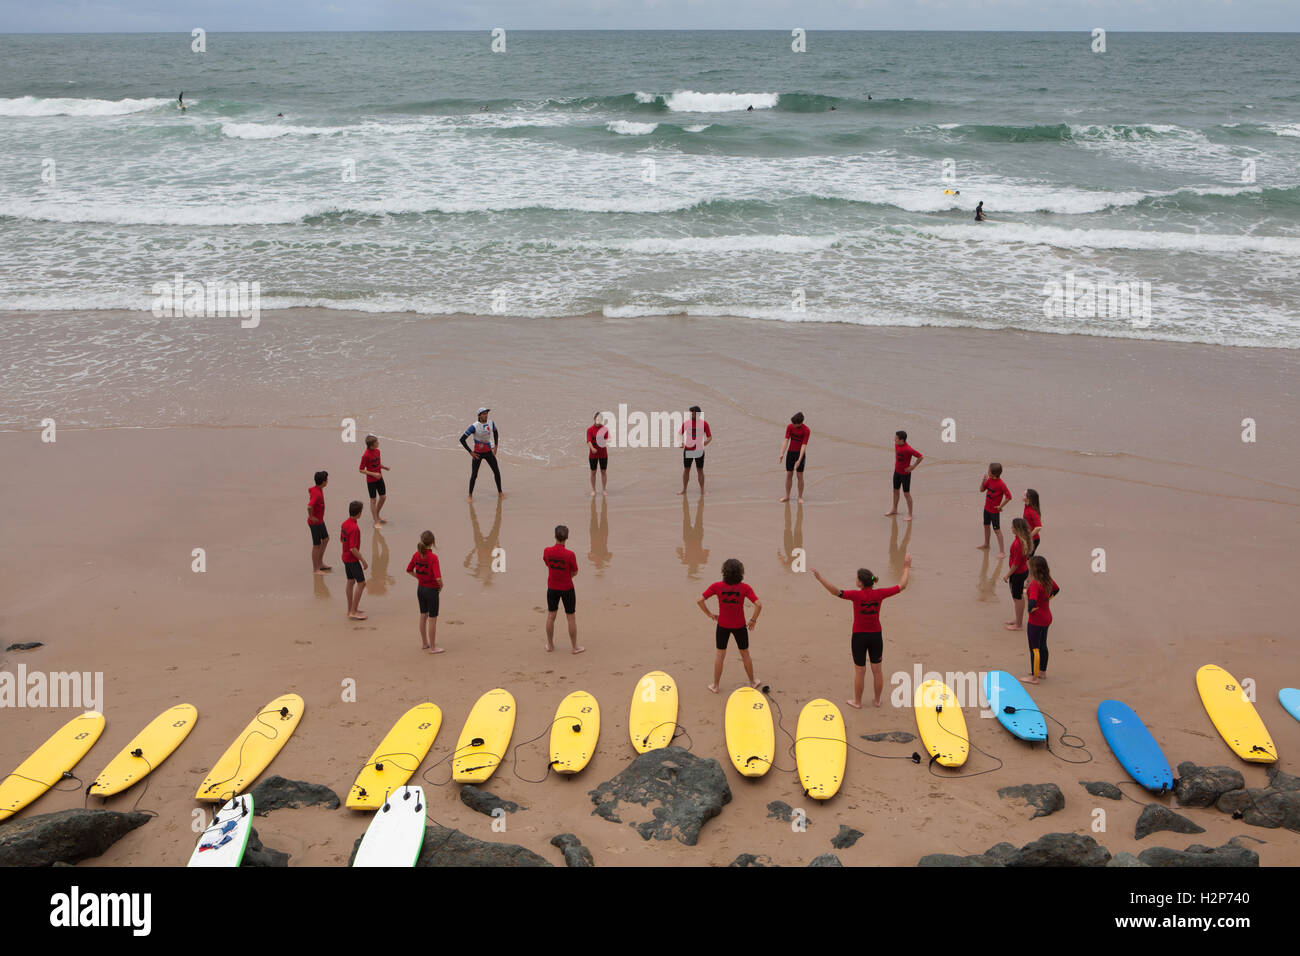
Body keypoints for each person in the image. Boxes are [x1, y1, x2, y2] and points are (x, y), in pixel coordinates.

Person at [812, 556, 910, 709]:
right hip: (876, 636)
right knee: (877, 670)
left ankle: (858, 702)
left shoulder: (856, 595)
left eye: (857, 578)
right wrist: (906, 567)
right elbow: (902, 585)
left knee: (860, 671)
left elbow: (835, 592)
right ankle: (877, 701)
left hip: (859, 637)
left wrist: (819, 578)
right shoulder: (880, 594)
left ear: (860, 582)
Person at [698, 558, 760, 693]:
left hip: (722, 626)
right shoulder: (745, 588)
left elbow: (700, 600)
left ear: (724, 572)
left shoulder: (716, 586)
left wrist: (709, 614)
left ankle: (715, 686)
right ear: (740, 573)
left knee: (720, 655)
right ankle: (753, 682)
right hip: (739, 626)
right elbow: (758, 605)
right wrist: (753, 620)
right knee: (745, 654)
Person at [543, 525, 584, 653]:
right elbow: (575, 571)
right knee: (570, 617)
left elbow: (547, 564)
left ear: (555, 536)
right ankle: (574, 647)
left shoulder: (547, 551)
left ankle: (550, 645)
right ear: (567, 537)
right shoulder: (570, 554)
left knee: (551, 616)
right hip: (567, 588)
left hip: (552, 587)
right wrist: (567, 576)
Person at [405, 531, 444, 654]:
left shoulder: (416, 555)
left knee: (423, 615)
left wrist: (419, 577)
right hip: (431, 590)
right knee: (432, 618)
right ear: (432, 542)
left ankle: (424, 643)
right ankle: (433, 647)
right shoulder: (433, 558)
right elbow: (438, 578)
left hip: (420, 589)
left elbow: (409, 570)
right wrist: (441, 586)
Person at [1024, 555, 1060, 684]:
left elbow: (1032, 602)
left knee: (1034, 648)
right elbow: (1056, 590)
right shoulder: (1047, 580)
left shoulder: (1035, 584)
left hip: (1036, 620)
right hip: (1047, 616)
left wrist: (1030, 609)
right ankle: (1042, 672)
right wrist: (1046, 600)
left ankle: (1033, 677)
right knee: (1042, 645)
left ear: (1033, 569)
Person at [460, 407, 504, 502]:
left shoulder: (491, 423)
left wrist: (496, 446)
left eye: (487, 413)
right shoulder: (474, 426)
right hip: (478, 454)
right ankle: (470, 495)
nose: (486, 415)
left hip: (488, 452)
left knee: (496, 472)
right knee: (474, 475)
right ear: (479, 416)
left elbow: (496, 432)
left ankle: (500, 492)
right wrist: (471, 452)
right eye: (484, 414)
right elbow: (462, 439)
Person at [1001, 518, 1035, 630]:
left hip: (1017, 574)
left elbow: (1016, 564)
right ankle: (1018, 619)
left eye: (1012, 527)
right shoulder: (1022, 540)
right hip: (1023, 571)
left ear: (1017, 529)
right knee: (1019, 596)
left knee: (1017, 598)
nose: (1011, 528)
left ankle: (1019, 624)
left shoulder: (1017, 544)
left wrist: (1007, 575)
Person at [340, 501, 369, 620]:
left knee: (350, 581)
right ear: (359, 513)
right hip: (352, 559)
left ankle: (351, 609)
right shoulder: (354, 528)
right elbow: (353, 548)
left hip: (345, 557)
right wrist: (363, 560)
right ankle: (353, 611)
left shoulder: (345, 523)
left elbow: (342, 540)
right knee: (361, 583)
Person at [885, 430, 923, 520]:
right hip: (897, 472)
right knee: (895, 491)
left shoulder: (908, 449)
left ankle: (910, 514)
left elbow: (920, 457)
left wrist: (913, 467)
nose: (894, 439)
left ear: (902, 440)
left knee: (906, 494)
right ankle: (894, 509)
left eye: (896, 438)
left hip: (905, 474)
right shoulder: (896, 445)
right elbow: (897, 455)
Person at [978, 462, 1012, 555]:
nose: (987, 470)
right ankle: (986, 544)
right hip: (986, 509)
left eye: (989, 470)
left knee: (997, 530)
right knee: (986, 526)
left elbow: (1009, 496)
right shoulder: (989, 480)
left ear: (993, 473)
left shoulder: (1001, 484)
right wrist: (983, 481)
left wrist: (1000, 506)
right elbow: (981, 490)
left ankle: (1002, 551)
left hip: (994, 512)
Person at [678, 405, 711, 496]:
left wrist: (705, 443)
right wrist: (680, 443)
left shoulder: (704, 424)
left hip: (699, 450)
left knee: (700, 470)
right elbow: (680, 434)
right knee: (686, 470)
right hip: (688, 449)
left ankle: (703, 490)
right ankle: (684, 490)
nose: (691, 414)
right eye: (690, 412)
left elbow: (709, 437)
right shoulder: (686, 423)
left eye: (692, 412)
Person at [778, 412, 809, 503]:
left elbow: (804, 445)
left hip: (800, 454)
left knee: (799, 475)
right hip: (790, 453)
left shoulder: (806, 430)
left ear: (800, 423)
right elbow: (786, 440)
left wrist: (799, 460)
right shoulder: (790, 427)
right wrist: (782, 453)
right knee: (789, 474)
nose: (793, 425)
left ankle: (800, 497)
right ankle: (787, 496)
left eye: (794, 424)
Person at [359, 434, 390, 526]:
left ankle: (376, 514)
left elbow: (377, 464)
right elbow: (361, 470)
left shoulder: (377, 451)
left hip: (379, 478)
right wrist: (374, 474)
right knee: (373, 500)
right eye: (376, 442)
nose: (378, 443)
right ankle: (376, 520)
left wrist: (384, 467)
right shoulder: (365, 455)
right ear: (371, 445)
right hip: (371, 481)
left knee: (383, 497)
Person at [307, 471, 331, 574]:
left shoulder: (318, 489)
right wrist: (311, 517)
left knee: (325, 539)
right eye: (327, 480)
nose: (327, 481)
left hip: (320, 521)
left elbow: (310, 490)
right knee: (316, 545)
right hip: (315, 523)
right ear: (323, 482)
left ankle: (320, 563)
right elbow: (309, 506)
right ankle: (315, 569)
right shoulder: (316, 493)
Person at [587, 412, 610, 496]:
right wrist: (592, 448)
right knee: (593, 472)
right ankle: (593, 490)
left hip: (603, 454)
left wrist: (605, 442)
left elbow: (607, 439)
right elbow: (589, 441)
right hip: (593, 454)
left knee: (603, 472)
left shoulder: (604, 429)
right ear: (594, 419)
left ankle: (604, 490)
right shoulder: (590, 430)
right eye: (597, 419)